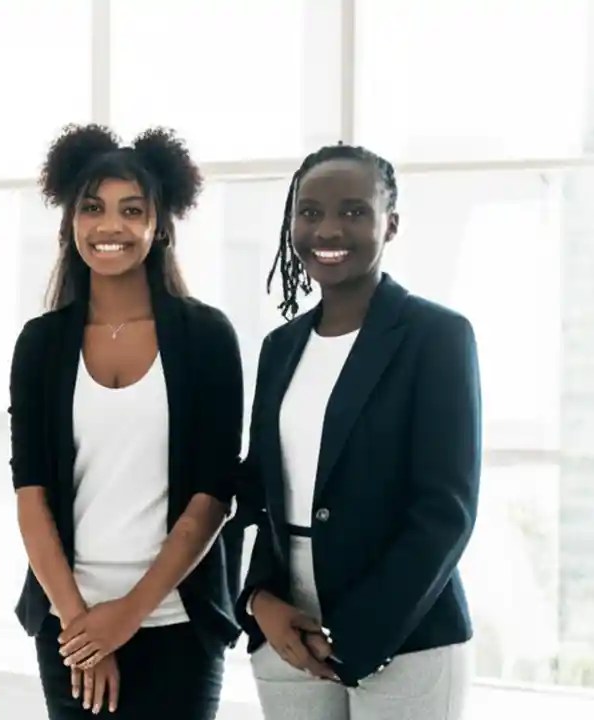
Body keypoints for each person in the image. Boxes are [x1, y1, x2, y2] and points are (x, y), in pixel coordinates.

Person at [234, 143, 480, 719]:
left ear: (390, 225)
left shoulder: (436, 337)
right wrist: (257, 599)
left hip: (405, 633)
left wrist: (353, 635)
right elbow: (257, 491)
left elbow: (446, 511)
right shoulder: (280, 348)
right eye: (310, 211)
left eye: (353, 211)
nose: (328, 228)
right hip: (287, 633)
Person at [9, 124, 242, 719]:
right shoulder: (40, 344)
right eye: (92, 209)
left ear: (159, 225)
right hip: (69, 622)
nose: (109, 226)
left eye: (130, 210)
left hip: (177, 623)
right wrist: (83, 628)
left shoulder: (207, 337)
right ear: (71, 223)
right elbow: (30, 496)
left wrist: (129, 614)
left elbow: (212, 496)